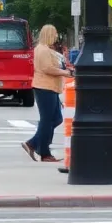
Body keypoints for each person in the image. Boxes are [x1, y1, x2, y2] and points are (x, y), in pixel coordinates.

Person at [21, 24, 72, 163]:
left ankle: (33, 144)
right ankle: (44, 153)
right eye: (54, 34)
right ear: (49, 34)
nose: (56, 36)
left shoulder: (47, 50)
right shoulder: (42, 50)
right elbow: (47, 68)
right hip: (44, 88)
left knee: (56, 119)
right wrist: (65, 73)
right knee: (47, 120)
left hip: (51, 88)